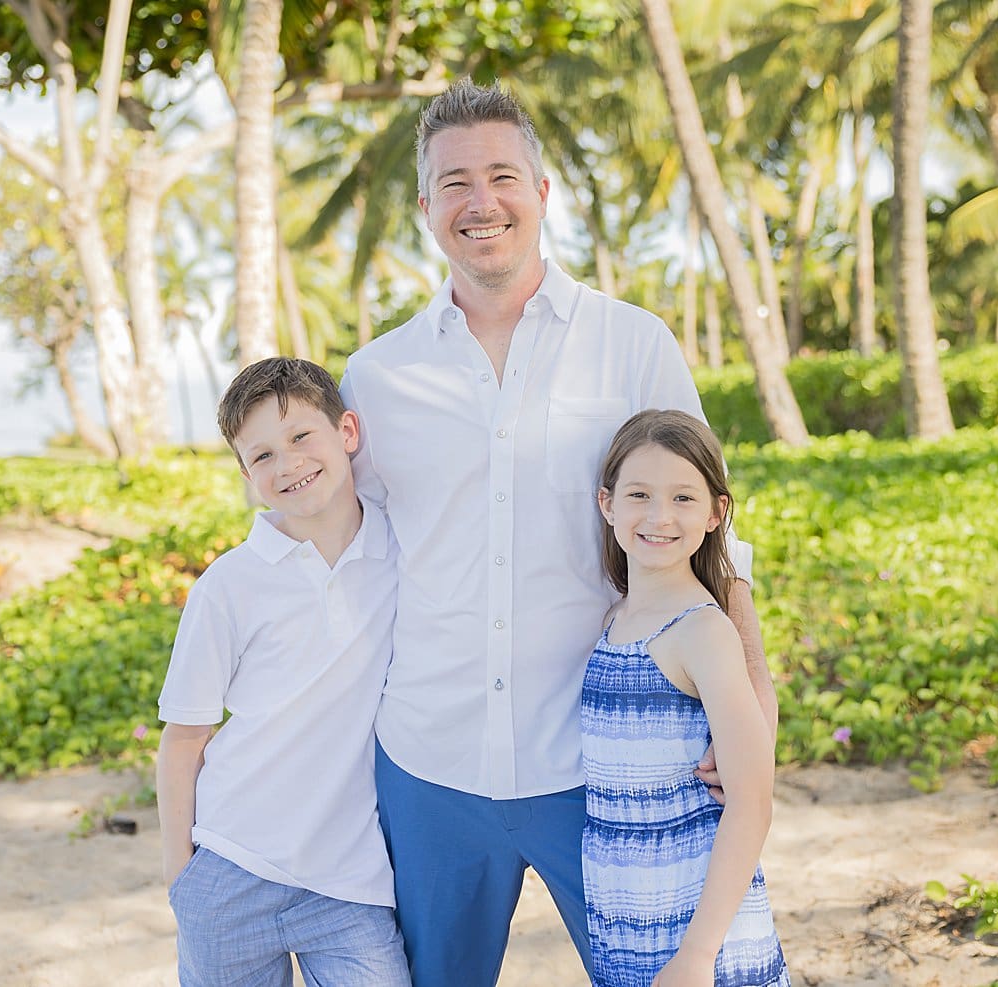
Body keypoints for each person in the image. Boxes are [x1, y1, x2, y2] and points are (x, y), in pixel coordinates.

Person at [340, 78, 779, 986]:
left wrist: (756, 701)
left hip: (603, 770)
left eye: (503, 175)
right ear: (426, 207)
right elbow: (350, 557)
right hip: (429, 769)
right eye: (454, 182)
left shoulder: (632, 342)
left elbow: (711, 532)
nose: (480, 201)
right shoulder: (377, 377)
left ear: (541, 195)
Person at [155, 357, 410, 987]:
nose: (288, 463)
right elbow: (184, 737)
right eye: (262, 455)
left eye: (301, 437)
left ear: (348, 432)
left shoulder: (404, 552)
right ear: (246, 474)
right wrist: (179, 876)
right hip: (229, 869)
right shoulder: (230, 585)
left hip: (351, 883)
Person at [584, 409, 789, 987]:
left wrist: (698, 955)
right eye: (639, 495)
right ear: (608, 504)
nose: (658, 517)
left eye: (682, 498)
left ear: (715, 512)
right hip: (627, 926)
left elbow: (752, 801)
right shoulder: (615, 617)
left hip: (702, 938)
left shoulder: (702, 631)